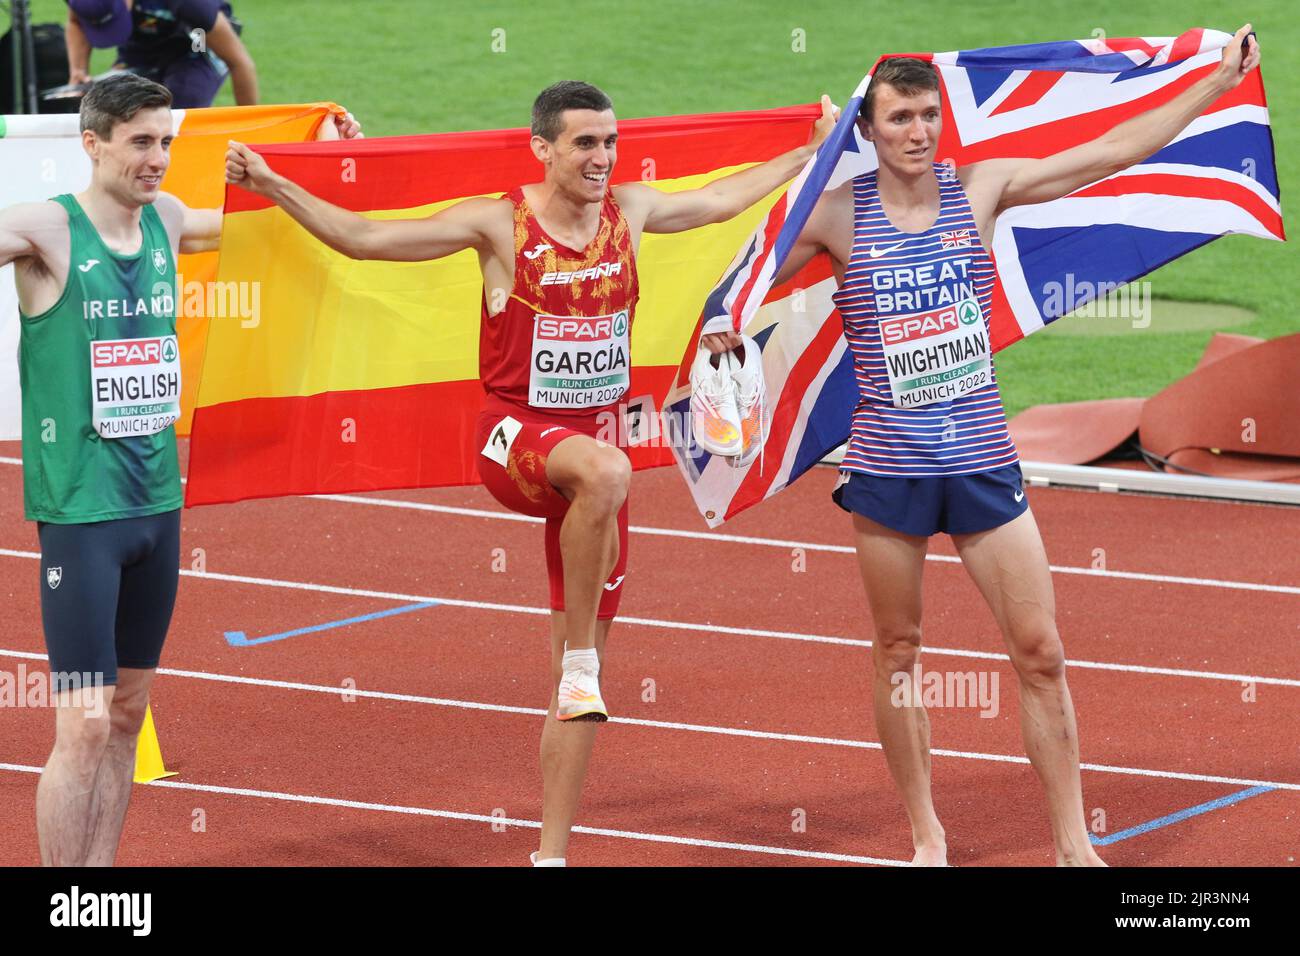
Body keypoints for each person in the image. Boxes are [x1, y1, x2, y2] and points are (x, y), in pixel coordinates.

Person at [225, 80, 835, 866]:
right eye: (585, 143)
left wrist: (810, 153)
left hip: (594, 461)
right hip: (513, 441)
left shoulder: (633, 213)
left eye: (610, 142)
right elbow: (364, 238)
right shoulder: (499, 224)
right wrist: (272, 182)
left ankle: (550, 852)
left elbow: (722, 199)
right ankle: (580, 660)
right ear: (543, 148)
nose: (602, 158)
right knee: (612, 474)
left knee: (578, 672)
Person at [764, 26, 1260, 865]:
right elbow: (742, 271)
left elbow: (1106, 151)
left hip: (985, 461)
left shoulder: (981, 187)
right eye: (898, 120)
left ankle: (1072, 842)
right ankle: (928, 835)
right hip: (889, 468)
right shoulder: (835, 219)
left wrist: (1212, 84)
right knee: (898, 652)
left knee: (1041, 652)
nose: (917, 133)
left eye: (927, 116)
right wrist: (801, 169)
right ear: (869, 130)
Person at [0, 72, 357, 867]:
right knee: (83, 722)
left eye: (165, 141)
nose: (158, 158)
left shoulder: (164, 219)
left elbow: (256, 225)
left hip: (158, 508)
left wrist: (330, 161)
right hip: (82, 516)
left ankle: (99, 887)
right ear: (92, 144)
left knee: (127, 714)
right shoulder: (45, 231)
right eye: (140, 143)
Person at [65, 0, 258, 108]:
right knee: (120, 103)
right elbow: (76, 22)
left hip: (198, 41)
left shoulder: (192, 5)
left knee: (182, 100)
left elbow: (240, 63)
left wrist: (250, 132)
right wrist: (78, 70)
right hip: (144, 41)